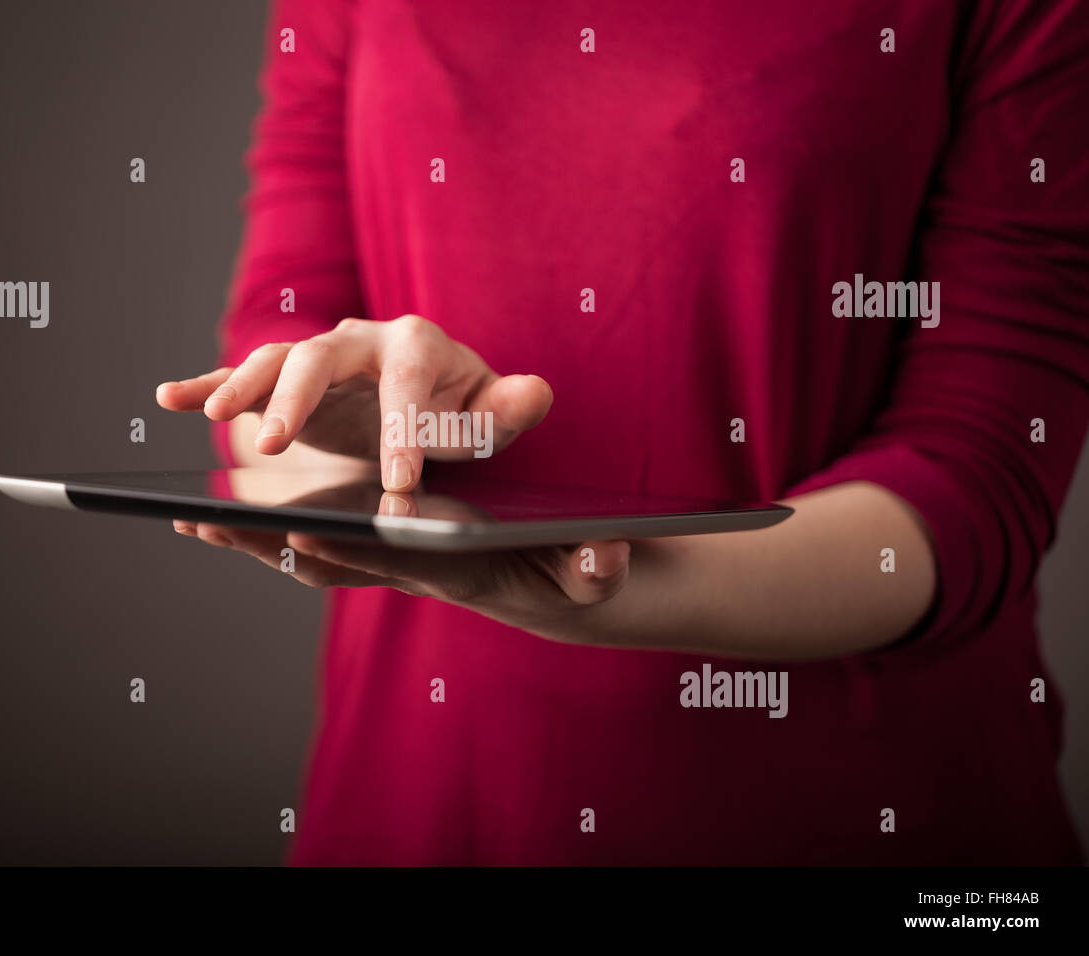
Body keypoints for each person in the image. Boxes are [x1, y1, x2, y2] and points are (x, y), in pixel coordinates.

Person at [156, 0, 1089, 865]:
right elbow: (272, 343)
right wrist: (341, 425)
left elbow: (976, 475)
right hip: (426, 802)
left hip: (861, 814)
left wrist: (577, 582)